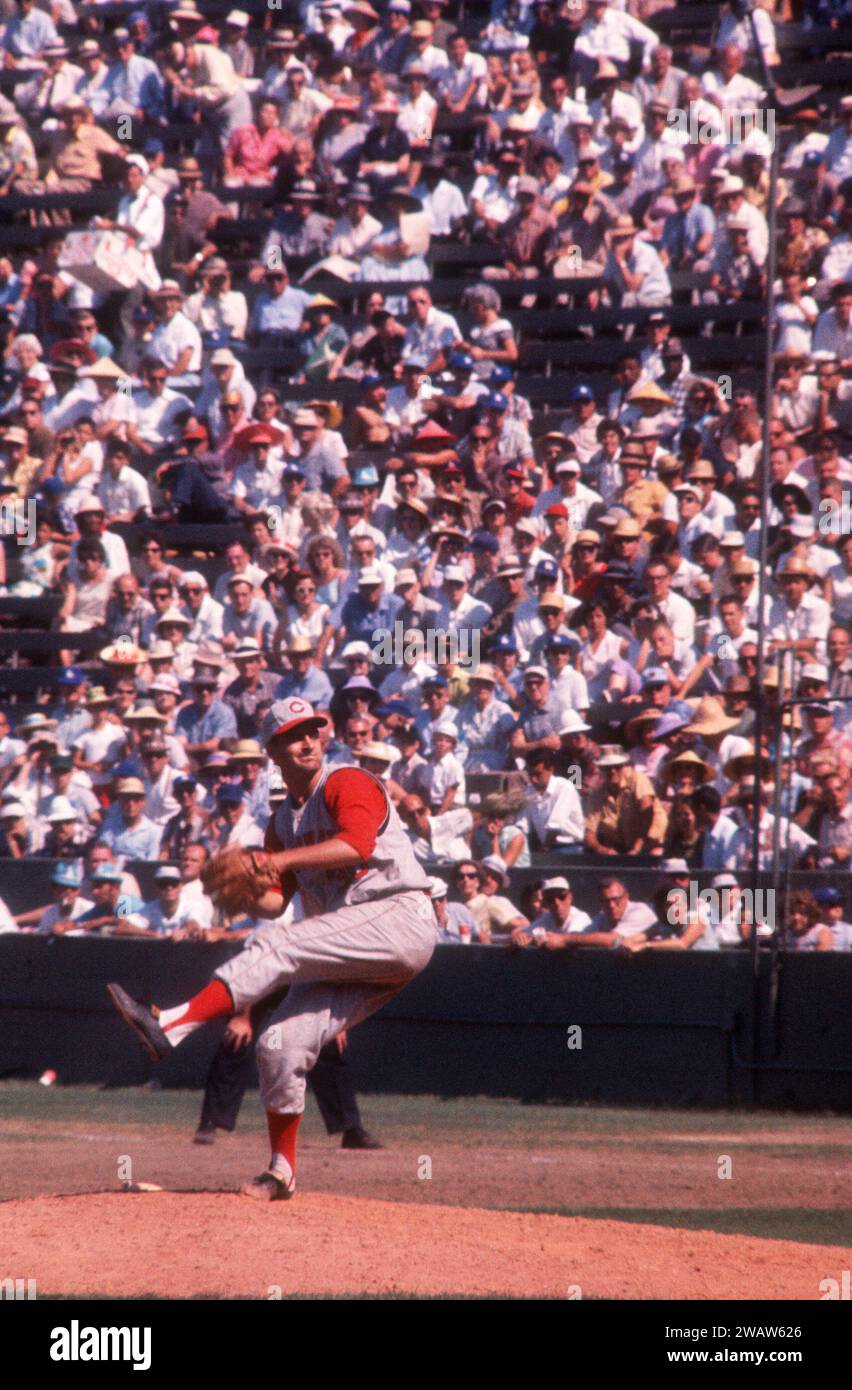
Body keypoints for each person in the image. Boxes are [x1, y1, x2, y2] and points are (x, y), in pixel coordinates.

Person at [106, 696, 435, 1201]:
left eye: (313, 731)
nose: (307, 741)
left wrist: (277, 863)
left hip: (400, 916)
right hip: (354, 942)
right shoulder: (282, 824)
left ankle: (170, 1024)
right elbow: (274, 904)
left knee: (280, 946)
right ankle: (282, 1171)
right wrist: (238, 887)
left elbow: (356, 847)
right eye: (292, 736)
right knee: (278, 1044)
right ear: (272, 751)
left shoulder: (347, 781)